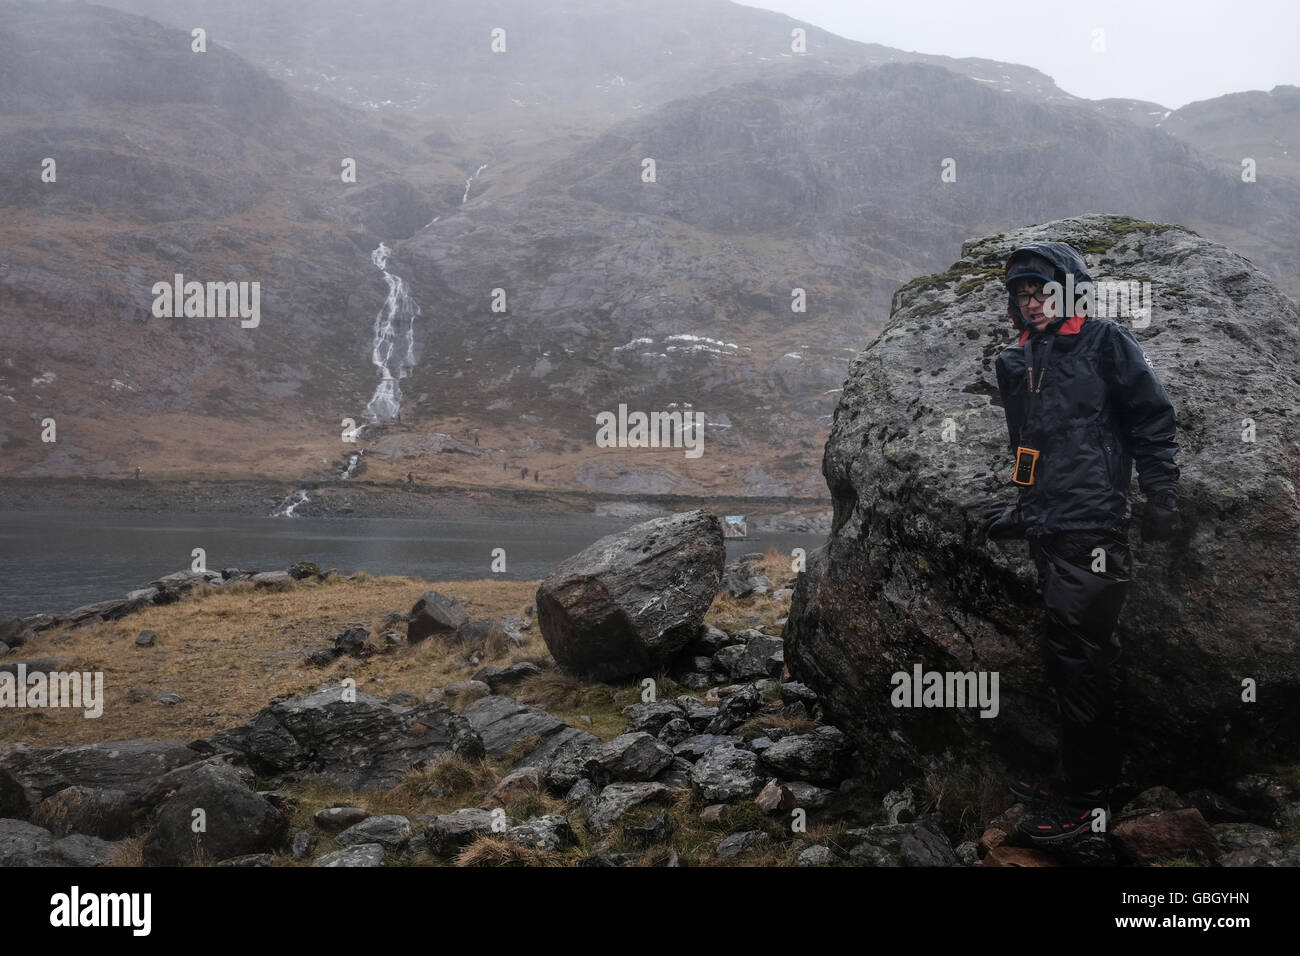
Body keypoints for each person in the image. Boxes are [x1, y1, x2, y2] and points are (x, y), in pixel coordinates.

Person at [981, 242, 1181, 844]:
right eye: (1022, 294)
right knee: (1069, 656)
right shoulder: (1016, 359)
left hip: (1094, 524)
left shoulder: (1105, 342)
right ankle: (1075, 777)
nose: (1032, 303)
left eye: (1042, 292)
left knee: (1080, 659)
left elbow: (1151, 416)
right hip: (1048, 521)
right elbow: (1028, 440)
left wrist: (1161, 493)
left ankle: (1088, 798)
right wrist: (1023, 500)